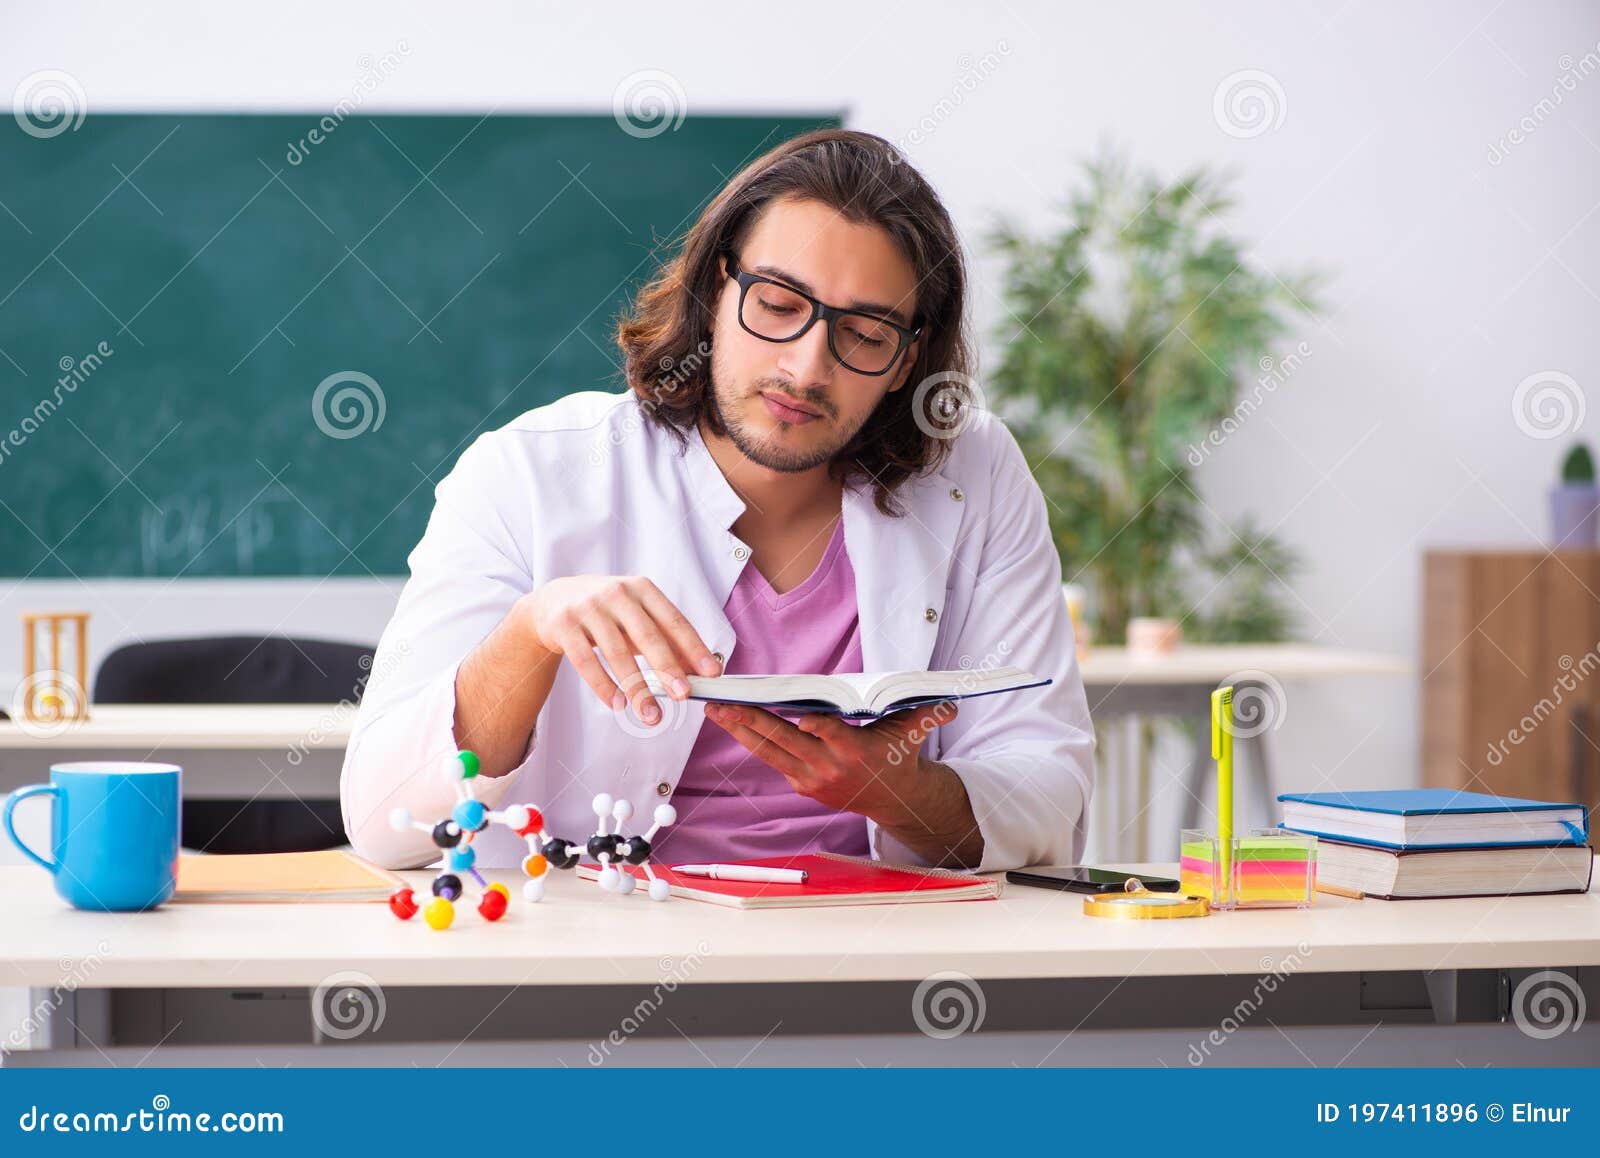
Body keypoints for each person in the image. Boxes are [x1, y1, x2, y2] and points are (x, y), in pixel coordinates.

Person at [340, 128, 1094, 873]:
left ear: (908, 362)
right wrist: (530, 633)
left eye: (865, 334)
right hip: (602, 959)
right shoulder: (530, 473)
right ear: (714, 289)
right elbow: (382, 821)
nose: (806, 369)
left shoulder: (978, 470)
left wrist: (899, 794)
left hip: (880, 953)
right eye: (775, 304)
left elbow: (1049, 788)